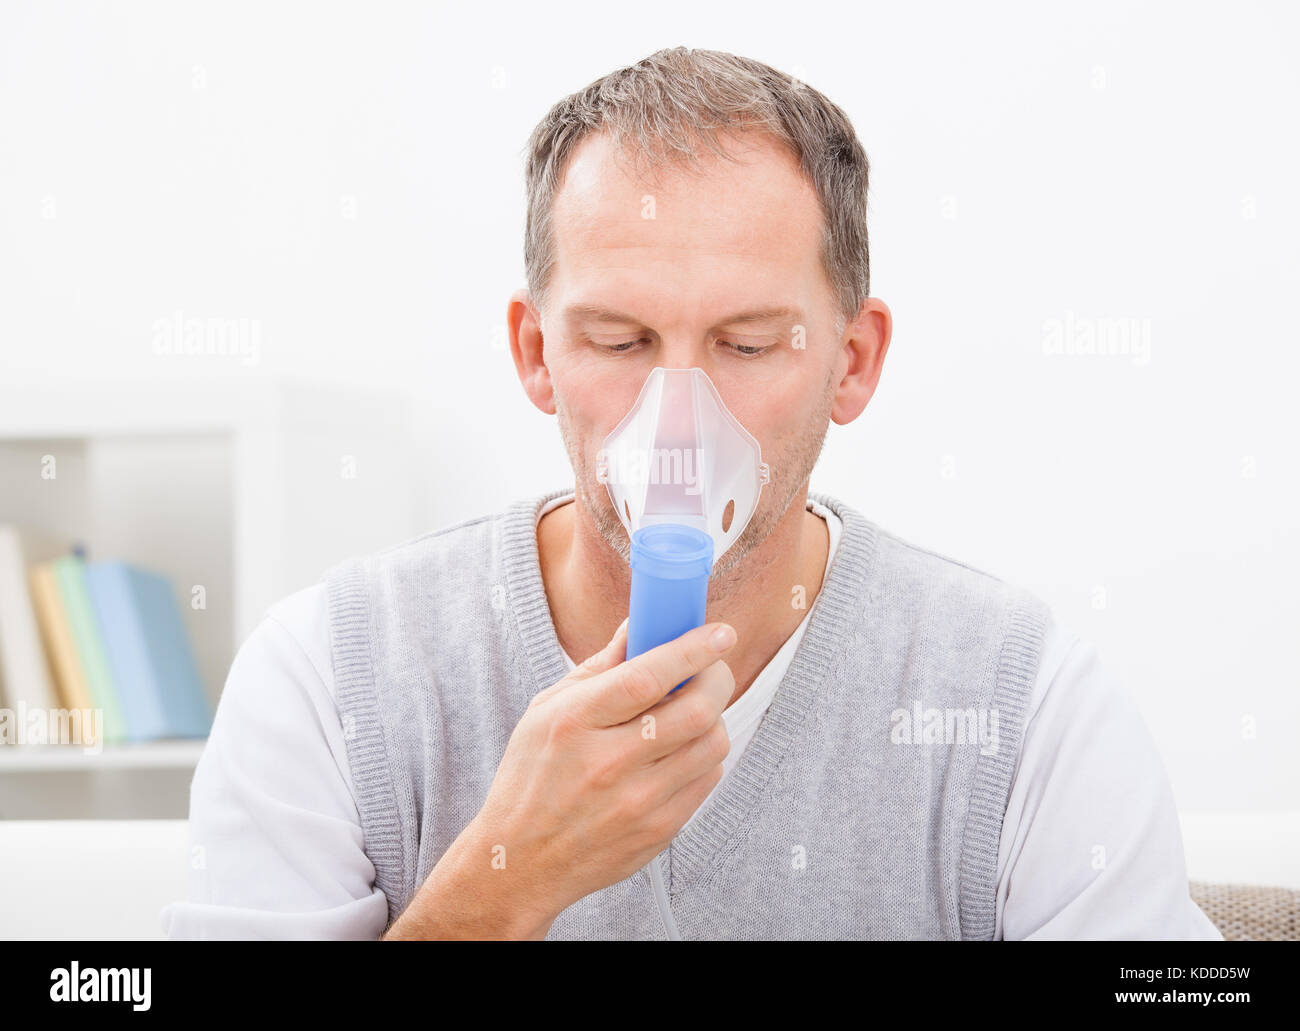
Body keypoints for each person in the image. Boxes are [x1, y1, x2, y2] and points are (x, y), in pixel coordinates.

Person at [162, 47, 1220, 940]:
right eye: (618, 340)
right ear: (535, 351)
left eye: (747, 343)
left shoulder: (1020, 705)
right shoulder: (330, 679)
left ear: (852, 361)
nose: (679, 422)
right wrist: (501, 880)